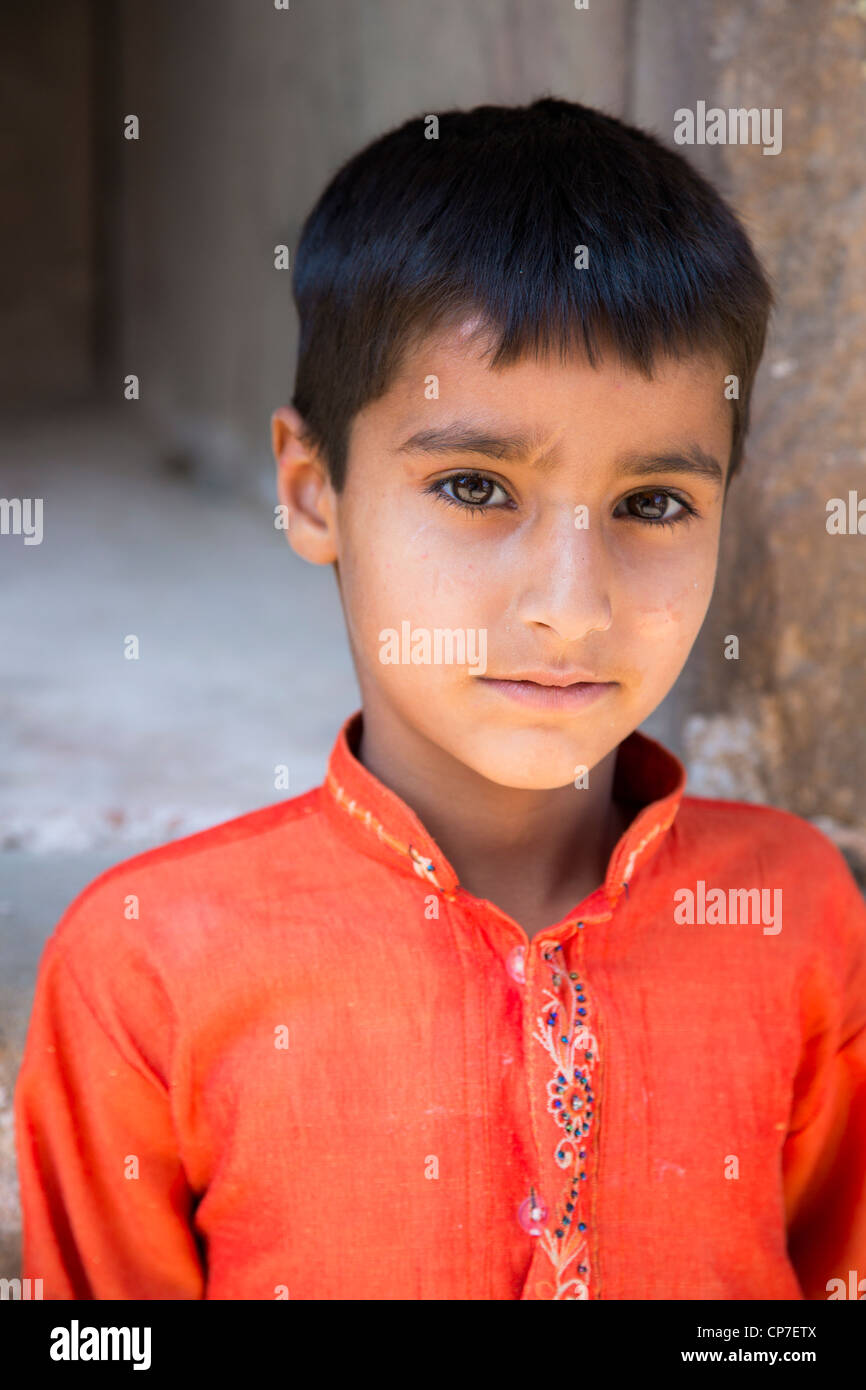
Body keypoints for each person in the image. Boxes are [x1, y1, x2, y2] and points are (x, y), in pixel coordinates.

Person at [15, 97, 866, 1300]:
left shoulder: (795, 914)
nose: (570, 607)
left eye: (654, 503)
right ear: (313, 492)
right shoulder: (147, 962)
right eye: (474, 485)